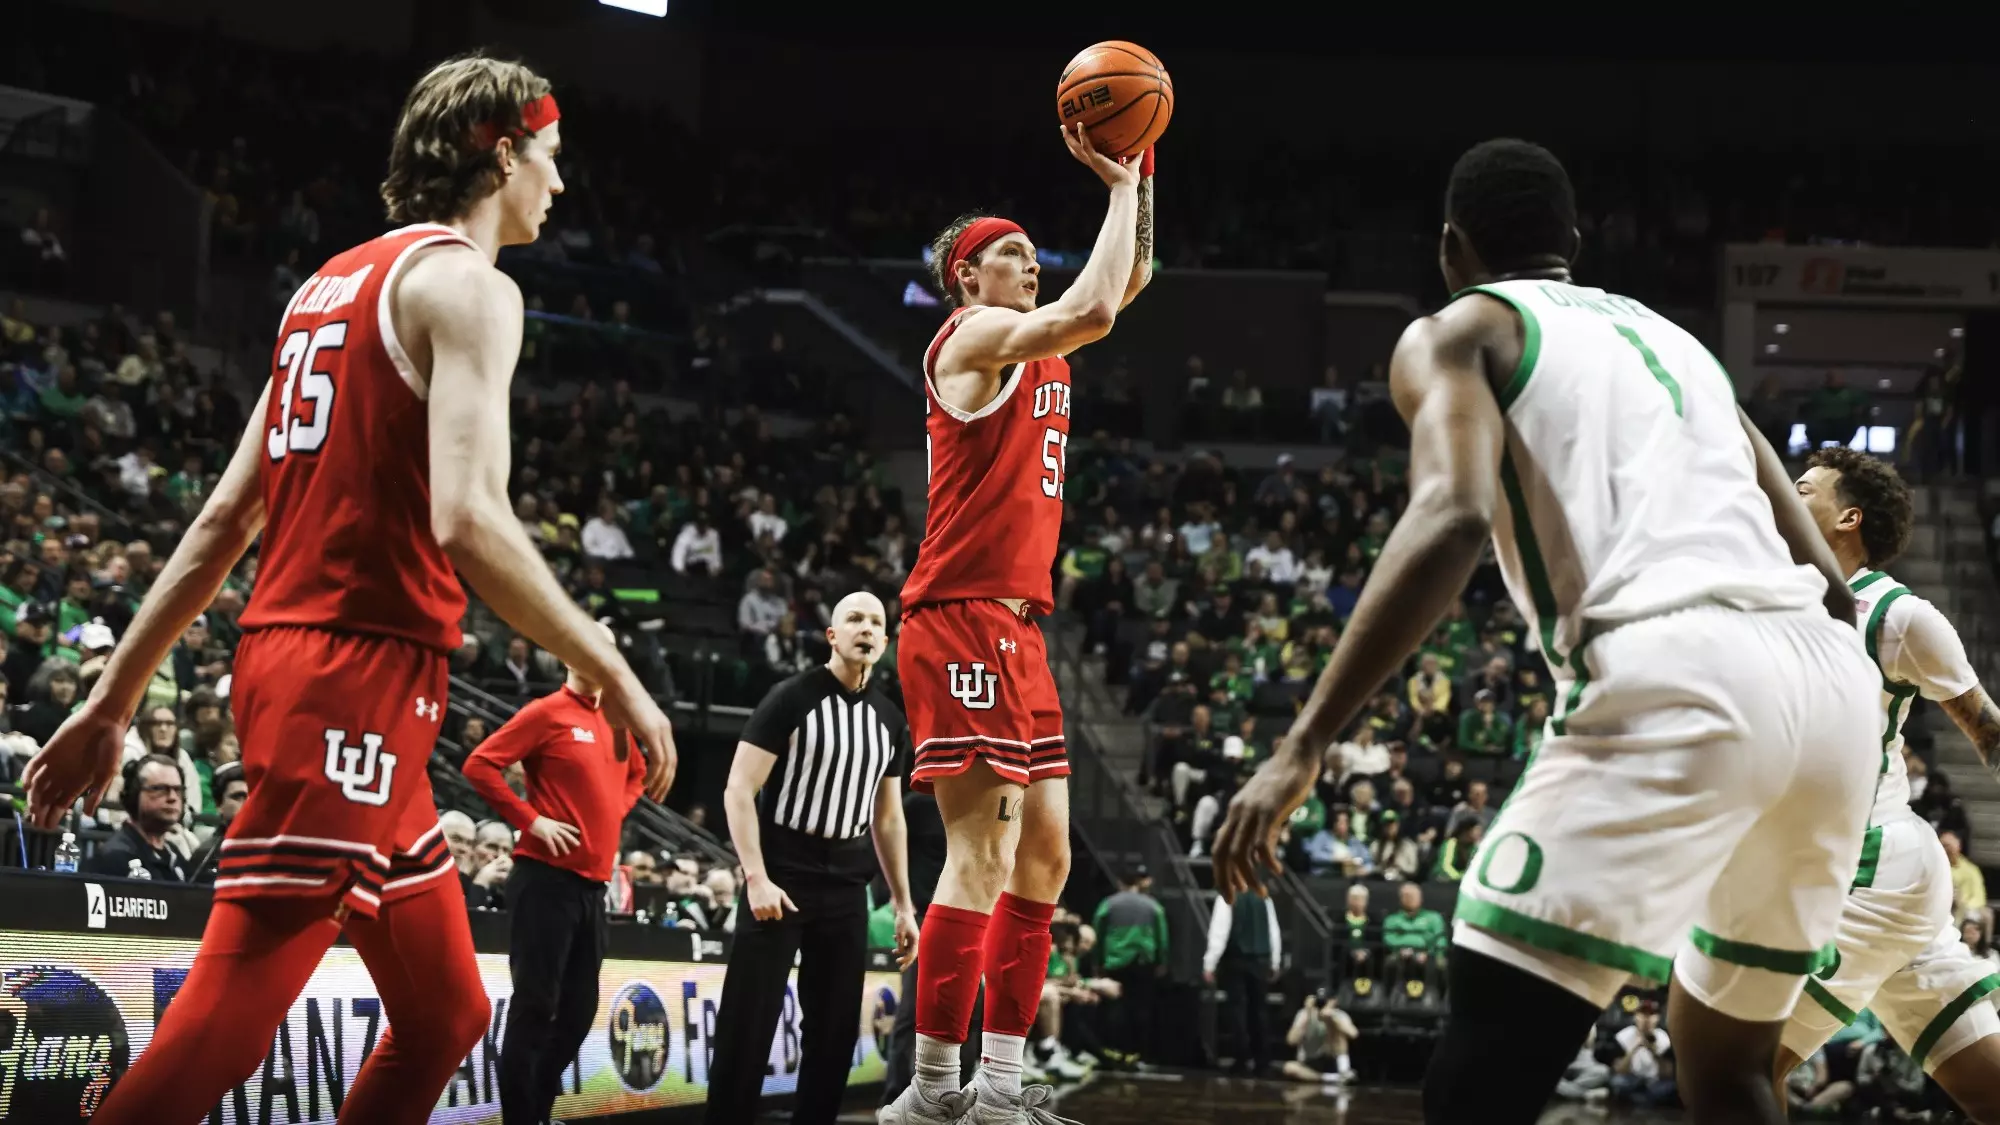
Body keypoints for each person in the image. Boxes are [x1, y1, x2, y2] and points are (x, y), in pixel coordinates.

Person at [25, 56, 676, 1125]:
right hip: (349, 676)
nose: (558, 186)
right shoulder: (469, 285)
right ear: (501, 151)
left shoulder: (325, 286)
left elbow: (224, 522)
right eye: (550, 160)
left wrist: (111, 704)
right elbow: (468, 519)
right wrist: (614, 670)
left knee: (448, 1013)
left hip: (328, 671)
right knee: (232, 1007)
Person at [1210, 138, 1880, 1125]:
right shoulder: (1679, 346)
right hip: (1830, 693)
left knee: (1479, 1077)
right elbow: (1826, 581)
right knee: (1731, 1071)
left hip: (1677, 669)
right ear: (1574, 239)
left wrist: (1302, 744)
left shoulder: (1460, 330)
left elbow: (1448, 516)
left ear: (1449, 248)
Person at [880, 121, 1154, 1125]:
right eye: (1008, 253)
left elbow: (1123, 282)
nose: (1028, 263)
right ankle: (931, 1091)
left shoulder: (1041, 340)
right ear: (965, 276)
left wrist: (1144, 164)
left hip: (1019, 628)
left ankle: (999, 1087)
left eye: (1031, 255)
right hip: (957, 618)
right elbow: (1095, 306)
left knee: (1044, 859)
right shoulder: (970, 338)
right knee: (980, 857)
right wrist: (1114, 186)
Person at [1777, 449, 2000, 1120]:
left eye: (1802, 488)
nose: (1783, 493)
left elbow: (1989, 731)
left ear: (1848, 517)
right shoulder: (1779, 598)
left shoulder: (1896, 615)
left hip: (1871, 867)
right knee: (1988, 1088)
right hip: (1856, 877)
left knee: (1737, 1062)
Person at [711, 591, 918, 1125]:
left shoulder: (891, 720)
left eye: (876, 621)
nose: (866, 628)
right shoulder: (790, 697)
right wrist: (754, 876)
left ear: (885, 641)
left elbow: (889, 818)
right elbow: (738, 790)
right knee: (747, 1023)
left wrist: (902, 904)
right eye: (854, 619)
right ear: (832, 635)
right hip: (781, 875)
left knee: (833, 1032)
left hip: (847, 886)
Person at [461, 621, 647, 1125]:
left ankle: (536, 1108)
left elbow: (637, 775)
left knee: (580, 1011)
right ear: (566, 651)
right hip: (544, 879)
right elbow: (480, 765)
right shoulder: (546, 712)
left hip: (592, 889)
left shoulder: (618, 724)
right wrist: (531, 819)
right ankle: (523, 1116)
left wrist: (613, 812)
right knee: (535, 1007)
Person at [1091, 866, 1170, 1070]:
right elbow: (1162, 939)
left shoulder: (1107, 905)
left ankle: (1113, 1053)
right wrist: (1161, 961)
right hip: (1143, 963)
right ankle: (1139, 1055)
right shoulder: (1154, 907)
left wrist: (1097, 963)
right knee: (1141, 1009)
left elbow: (1097, 935)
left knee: (1115, 1008)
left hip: (1115, 962)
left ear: (1120, 883)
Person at [1203, 889, 1282, 1076]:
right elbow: (1273, 930)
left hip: (1236, 959)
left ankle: (1241, 1059)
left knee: (1237, 1010)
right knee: (1260, 1011)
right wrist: (1275, 961)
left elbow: (1219, 932)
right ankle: (1263, 1061)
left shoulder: (1227, 896)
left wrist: (1210, 963)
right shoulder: (1264, 896)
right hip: (1261, 960)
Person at [86, 754, 191, 881]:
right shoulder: (114, 857)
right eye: (160, 789)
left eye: (178, 790)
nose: (172, 797)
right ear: (134, 795)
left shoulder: (174, 855)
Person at [1282, 987, 1359, 1085]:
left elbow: (1353, 1034)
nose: (1321, 1006)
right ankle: (1332, 1079)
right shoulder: (1304, 1014)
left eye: (1325, 1002)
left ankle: (1344, 1072)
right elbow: (1291, 1041)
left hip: (1333, 1058)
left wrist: (1332, 1020)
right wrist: (1307, 1014)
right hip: (1310, 1061)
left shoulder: (1339, 1015)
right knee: (1289, 1068)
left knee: (1339, 1033)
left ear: (1333, 1002)